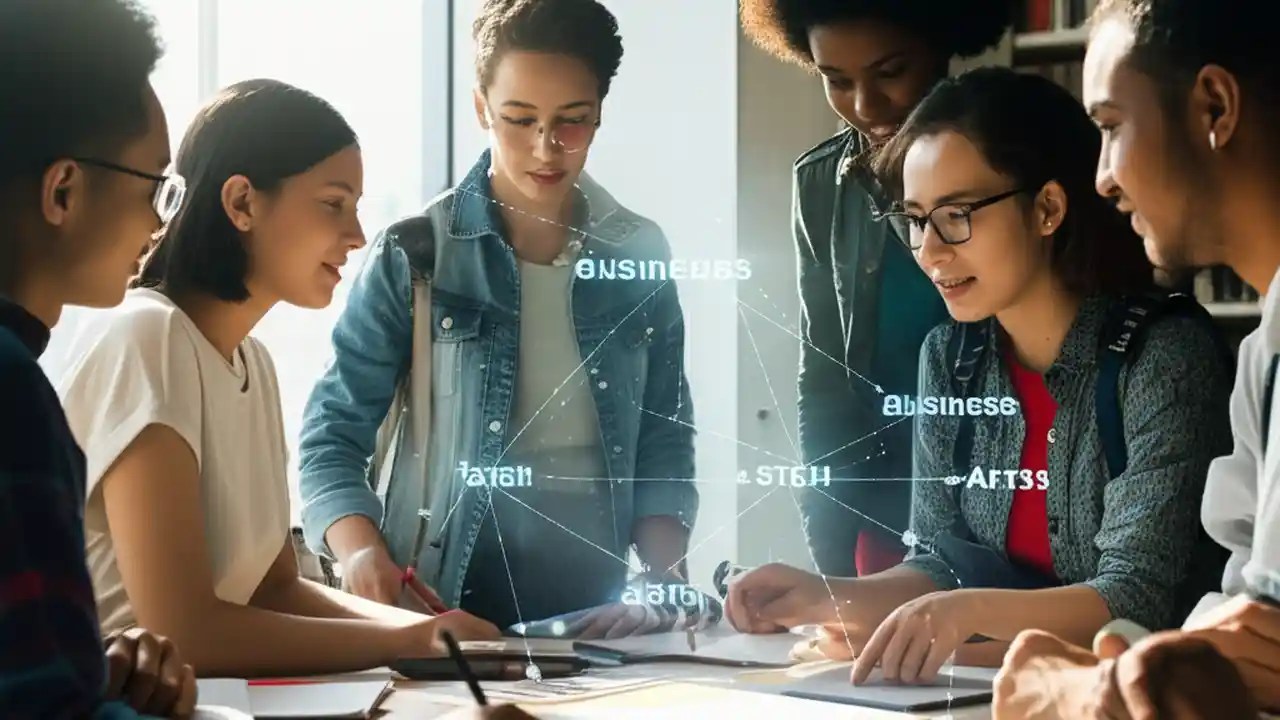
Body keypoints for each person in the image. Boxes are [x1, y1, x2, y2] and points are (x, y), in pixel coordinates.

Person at [725, 67, 1232, 685]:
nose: (930, 252)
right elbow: (940, 560)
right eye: (915, 219)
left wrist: (964, 617)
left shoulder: (1163, 355)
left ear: (1047, 208)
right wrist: (819, 596)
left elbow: (1134, 598)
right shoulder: (948, 358)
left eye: (957, 215)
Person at [53, 78, 499, 679]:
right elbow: (184, 632)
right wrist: (409, 641)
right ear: (241, 203)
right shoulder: (148, 338)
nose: (358, 235)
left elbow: (273, 590)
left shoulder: (252, 363)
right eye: (333, 204)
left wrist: (433, 635)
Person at [299, 0, 697, 638]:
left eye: (573, 120)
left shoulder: (638, 253)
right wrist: (361, 552)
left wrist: (662, 577)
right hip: (438, 603)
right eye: (519, 119)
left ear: (599, 113)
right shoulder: (416, 253)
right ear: (482, 106)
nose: (547, 146)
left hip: (596, 619)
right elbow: (331, 435)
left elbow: (664, 443)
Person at [993, 0, 1280, 716]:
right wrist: (1140, 659)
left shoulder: (1176, 350)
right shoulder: (1262, 355)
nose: (1103, 179)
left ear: (1215, 106)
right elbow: (1240, 637)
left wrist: (1081, 690)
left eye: (1112, 128)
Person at [738, 0, 1013, 578]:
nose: (864, 106)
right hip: (883, 514)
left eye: (890, 73)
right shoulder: (820, 182)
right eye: (835, 80)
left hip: (1011, 506)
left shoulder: (1011, 163)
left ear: (941, 45)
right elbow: (825, 378)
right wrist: (830, 549)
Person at [0, 0, 200, 716]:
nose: (158, 220)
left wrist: (88, 671)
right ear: (63, 190)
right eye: (155, 184)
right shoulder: (12, 392)